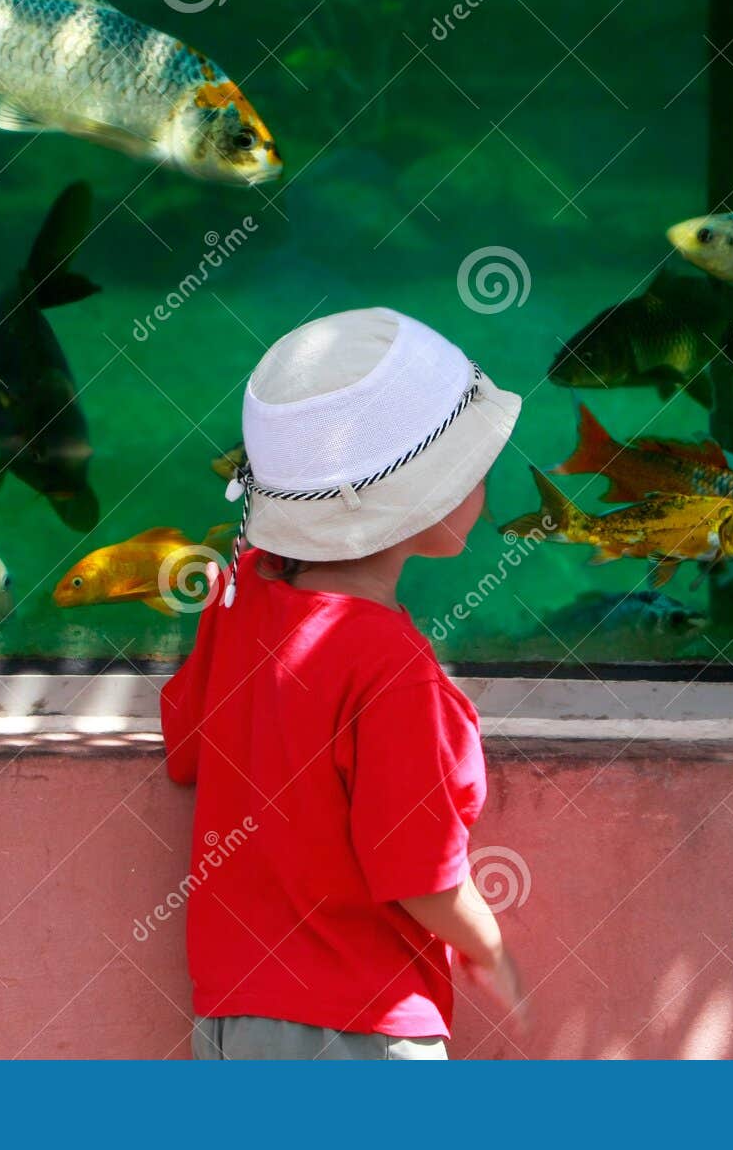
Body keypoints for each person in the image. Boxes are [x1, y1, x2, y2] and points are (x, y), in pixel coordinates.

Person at [161, 306, 526, 1059]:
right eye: (472, 464)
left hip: (232, 1026)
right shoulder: (391, 670)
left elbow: (186, 750)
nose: (486, 480)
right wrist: (492, 949)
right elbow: (419, 877)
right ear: (421, 497)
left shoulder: (244, 595)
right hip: (360, 1032)